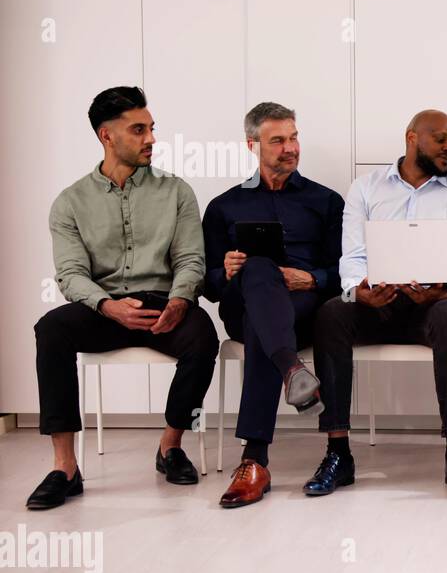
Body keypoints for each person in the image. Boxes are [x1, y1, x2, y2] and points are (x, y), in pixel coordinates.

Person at [28, 86, 218, 510]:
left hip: (163, 304)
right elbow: (71, 274)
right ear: (106, 136)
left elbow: (191, 259)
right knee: (51, 330)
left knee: (203, 336)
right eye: (138, 130)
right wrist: (107, 306)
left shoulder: (177, 192)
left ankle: (170, 447)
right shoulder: (70, 202)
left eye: (152, 129)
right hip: (105, 307)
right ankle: (65, 468)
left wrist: (180, 301)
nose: (151, 139)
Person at [312, 110, 447, 497]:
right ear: (412, 137)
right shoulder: (366, 188)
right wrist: (360, 289)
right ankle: (338, 451)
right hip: (379, 303)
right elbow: (353, 256)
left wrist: (443, 290)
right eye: (441, 139)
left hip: (431, 305)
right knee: (331, 313)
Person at [202, 102, 343, 508]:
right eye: (277, 140)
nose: (290, 148)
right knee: (259, 267)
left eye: (293, 137)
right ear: (252, 145)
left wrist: (313, 278)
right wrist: (226, 271)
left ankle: (254, 461)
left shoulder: (327, 201)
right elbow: (208, 286)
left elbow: (344, 272)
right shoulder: (223, 206)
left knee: (259, 325)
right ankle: (292, 369)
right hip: (242, 298)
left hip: (305, 308)